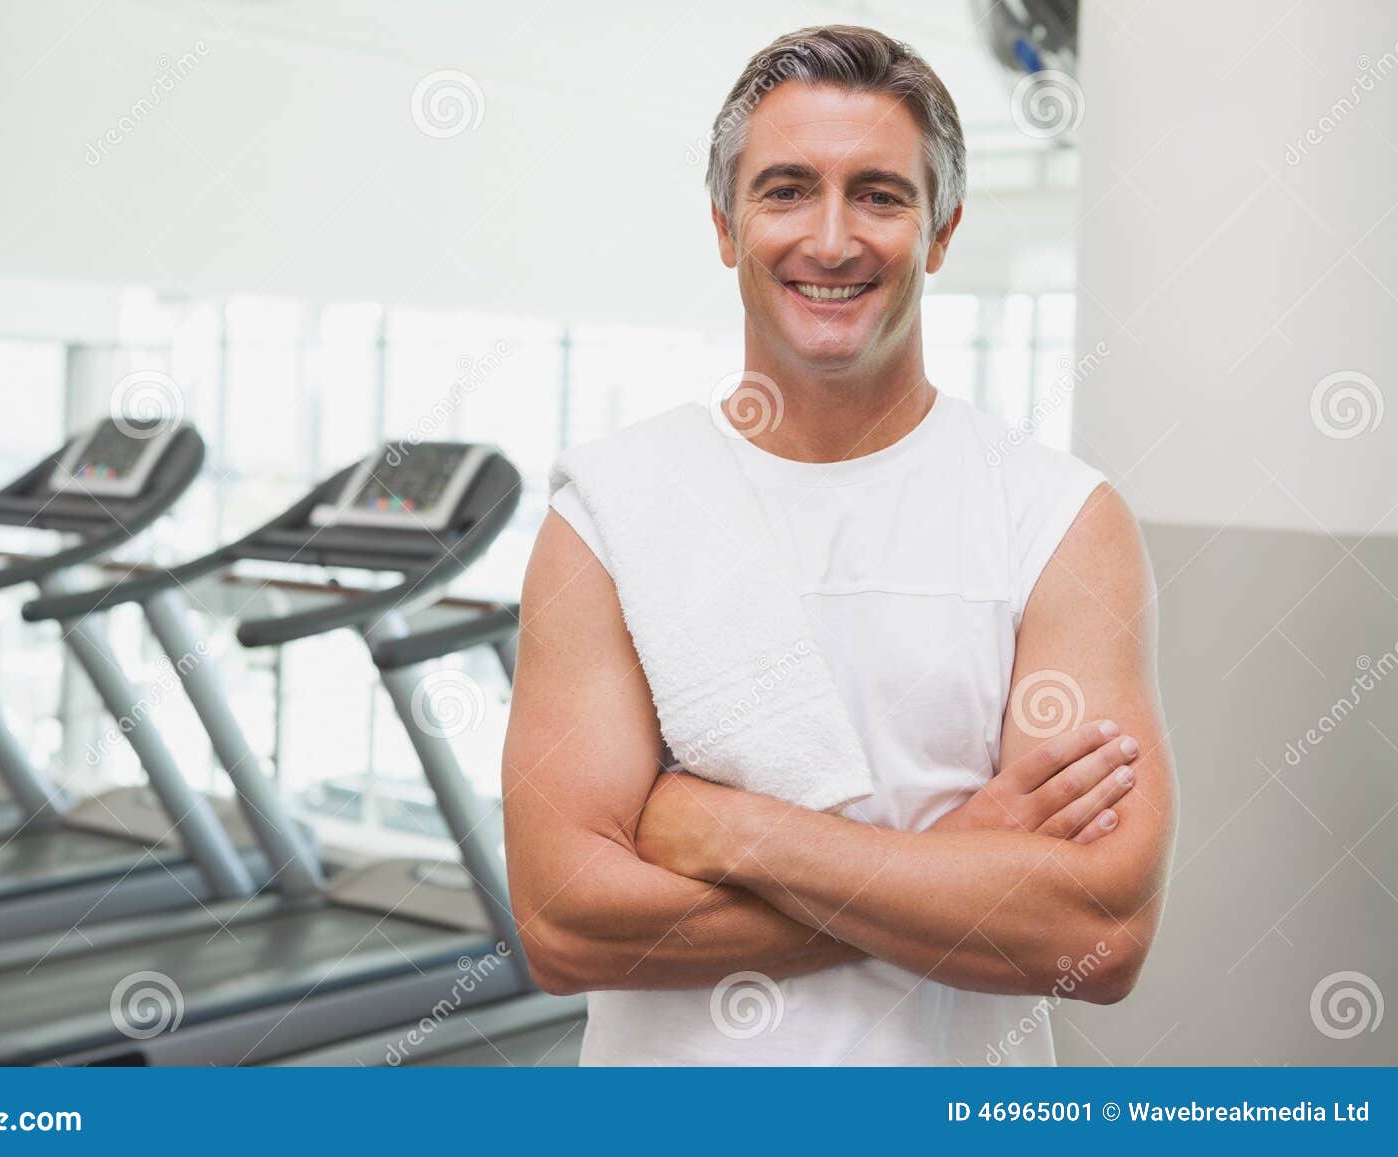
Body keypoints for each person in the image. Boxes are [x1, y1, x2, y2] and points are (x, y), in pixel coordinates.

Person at [502, 25, 1176, 1065]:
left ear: (940, 230)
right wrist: (949, 867)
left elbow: (1095, 934)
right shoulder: (610, 512)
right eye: (784, 190)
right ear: (726, 226)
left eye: (878, 193)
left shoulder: (1058, 518)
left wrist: (736, 832)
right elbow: (563, 920)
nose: (829, 239)